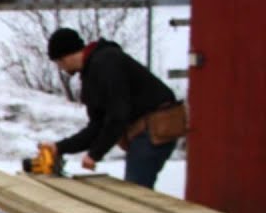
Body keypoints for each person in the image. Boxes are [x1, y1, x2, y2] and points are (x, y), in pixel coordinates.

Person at [42, 27, 186, 189]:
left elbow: (118, 114)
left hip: (155, 127)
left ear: (65, 57)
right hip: (143, 130)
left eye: (58, 62)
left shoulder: (106, 62)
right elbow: (97, 126)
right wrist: (60, 147)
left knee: (136, 192)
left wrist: (95, 154)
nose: (60, 68)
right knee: (135, 191)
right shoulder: (91, 72)